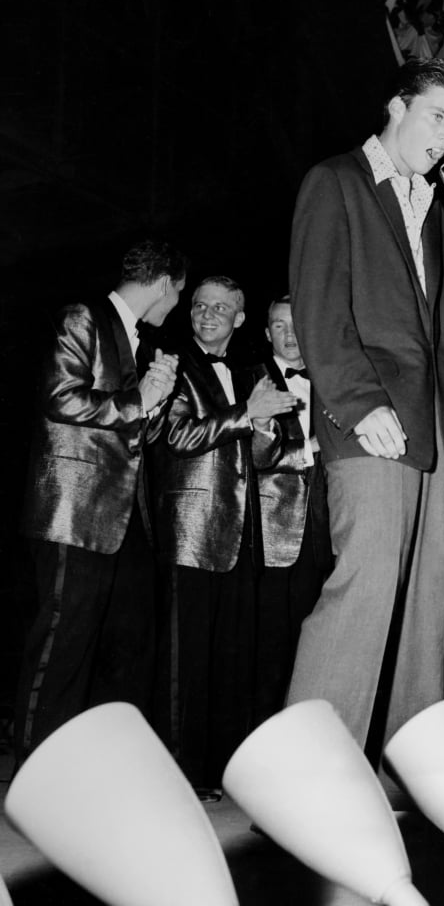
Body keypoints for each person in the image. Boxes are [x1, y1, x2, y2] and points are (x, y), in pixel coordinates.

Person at [286, 57, 444, 776]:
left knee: (424, 603)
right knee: (367, 588)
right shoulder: (337, 182)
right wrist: (356, 404)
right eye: (438, 116)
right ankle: (310, 772)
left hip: (434, 432)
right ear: (396, 107)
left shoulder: (439, 212)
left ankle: (412, 772)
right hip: (369, 418)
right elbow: (319, 306)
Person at [15, 237, 187, 762]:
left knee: (120, 644)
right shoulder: (82, 317)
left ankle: (98, 762)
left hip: (121, 515)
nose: (176, 303)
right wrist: (141, 399)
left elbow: (126, 424)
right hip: (74, 510)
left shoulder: (133, 339)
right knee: (63, 644)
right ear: (162, 284)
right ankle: (35, 768)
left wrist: (152, 409)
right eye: (178, 292)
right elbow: (60, 396)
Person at [149, 275, 297, 793]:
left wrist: (262, 430)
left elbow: (263, 456)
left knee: (231, 659)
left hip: (243, 535)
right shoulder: (170, 362)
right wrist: (243, 416)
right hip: (190, 532)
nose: (207, 315)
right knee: (184, 663)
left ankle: (223, 774)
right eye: (199, 305)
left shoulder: (253, 370)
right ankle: (177, 777)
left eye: (221, 308)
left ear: (239, 318)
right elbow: (178, 436)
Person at [252, 295, 333, 722]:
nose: (289, 335)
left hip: (322, 533)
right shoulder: (252, 380)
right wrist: (309, 449)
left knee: (313, 641)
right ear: (267, 334)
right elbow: (254, 454)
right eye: (279, 326)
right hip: (269, 533)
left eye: (296, 324)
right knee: (267, 646)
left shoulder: (331, 380)